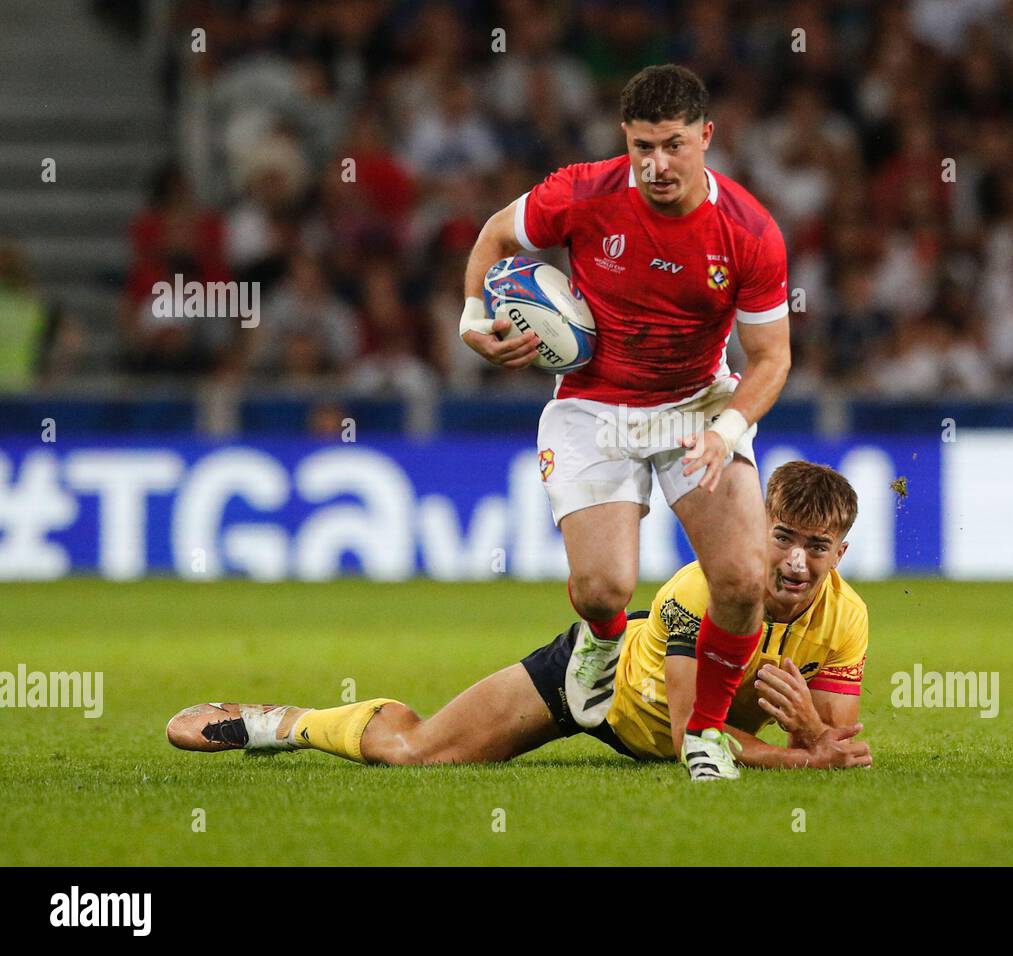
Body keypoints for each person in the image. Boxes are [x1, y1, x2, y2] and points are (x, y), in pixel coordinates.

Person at [457, 64, 791, 779]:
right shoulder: (580, 192)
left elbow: (771, 359)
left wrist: (726, 431)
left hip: (695, 402)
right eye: (642, 147)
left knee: (741, 579)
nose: (657, 165)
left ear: (707, 136)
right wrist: (470, 318)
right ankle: (602, 639)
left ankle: (703, 733)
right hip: (591, 404)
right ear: (625, 139)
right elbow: (494, 235)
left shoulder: (750, 232)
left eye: (673, 145)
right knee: (603, 590)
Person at [166, 462, 870, 777]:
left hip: (664, 723)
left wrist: (813, 734)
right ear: (754, 528)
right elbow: (695, 738)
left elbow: (839, 737)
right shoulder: (697, 591)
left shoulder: (847, 616)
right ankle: (275, 724)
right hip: (595, 685)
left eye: (817, 547)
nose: (798, 563)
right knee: (416, 754)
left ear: (840, 551)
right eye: (782, 537)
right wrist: (802, 756)